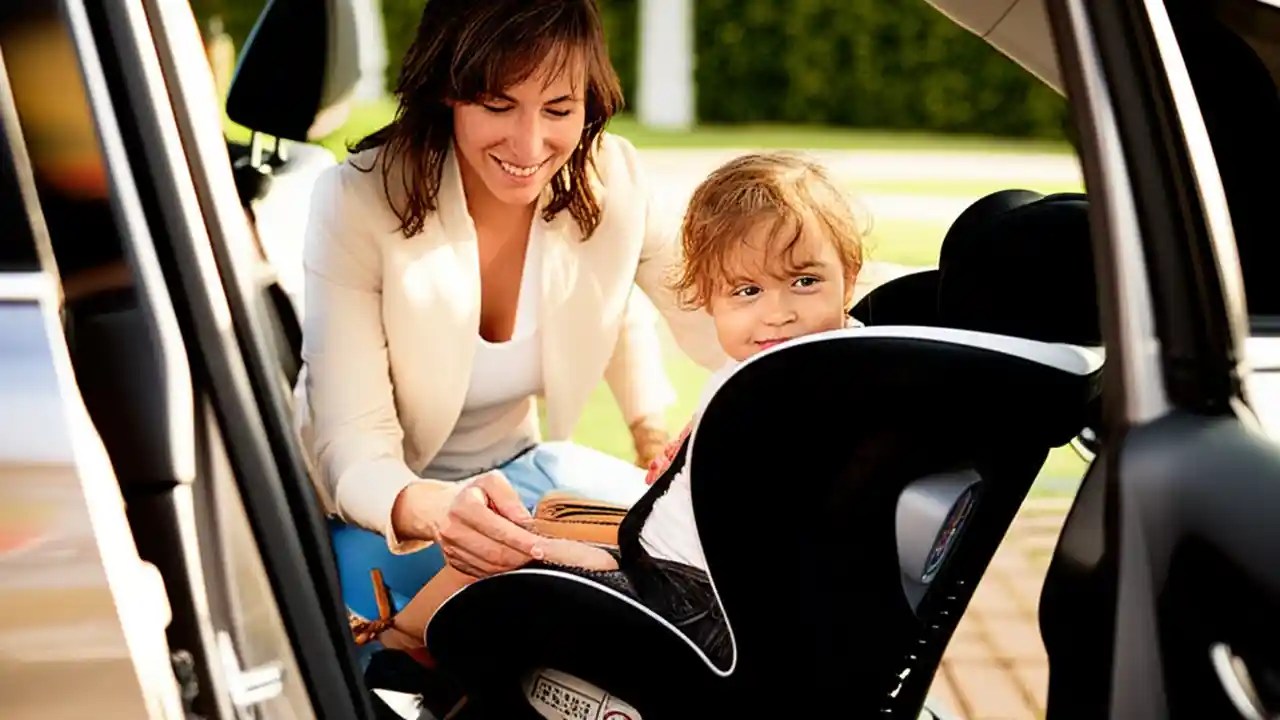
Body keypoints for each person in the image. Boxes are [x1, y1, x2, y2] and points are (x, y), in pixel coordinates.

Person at [294, 0, 726, 626]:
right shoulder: (357, 199)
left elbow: (726, 321)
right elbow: (350, 442)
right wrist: (440, 509)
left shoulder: (613, 181)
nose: (529, 144)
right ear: (448, 90)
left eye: (559, 109)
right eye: (498, 105)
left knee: (706, 570)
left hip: (526, 481)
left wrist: (663, 432)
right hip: (388, 512)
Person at [359, 151, 869, 669]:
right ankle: (409, 644)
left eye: (805, 282)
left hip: (685, 603)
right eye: (748, 291)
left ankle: (397, 654)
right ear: (707, 300)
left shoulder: (793, 386)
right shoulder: (823, 366)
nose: (778, 313)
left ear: (849, 280)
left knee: (504, 550)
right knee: (550, 514)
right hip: (672, 567)